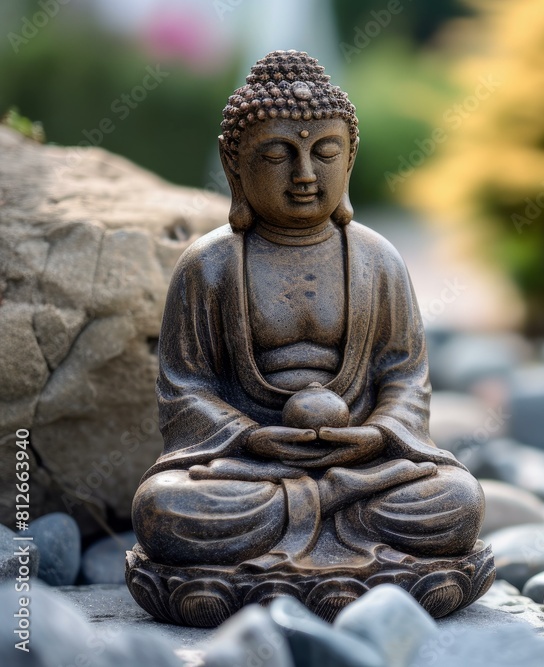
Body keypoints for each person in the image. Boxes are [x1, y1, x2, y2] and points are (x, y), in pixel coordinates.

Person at [131, 51, 485, 578]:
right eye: (276, 155)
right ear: (236, 164)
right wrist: (251, 436)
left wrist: (379, 435)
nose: (304, 174)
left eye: (325, 153)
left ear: (349, 160)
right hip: (250, 464)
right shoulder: (210, 264)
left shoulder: (377, 259)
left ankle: (304, 526)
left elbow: (405, 377)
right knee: (164, 508)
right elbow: (184, 387)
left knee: (457, 500)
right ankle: (337, 528)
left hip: (362, 463)